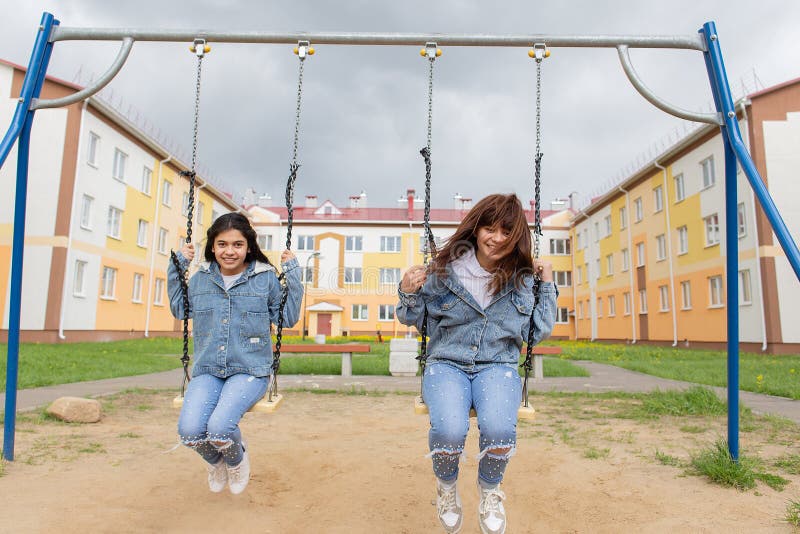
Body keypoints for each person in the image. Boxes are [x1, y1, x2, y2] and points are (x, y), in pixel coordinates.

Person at [397, 194, 557, 534]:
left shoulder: (523, 277)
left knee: (499, 430)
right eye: (490, 228)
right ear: (476, 228)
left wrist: (547, 285)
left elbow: (538, 331)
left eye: (506, 231)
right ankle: (447, 487)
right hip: (447, 362)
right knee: (449, 431)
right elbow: (415, 319)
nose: (497, 238)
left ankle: (490, 490)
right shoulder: (443, 271)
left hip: (497, 365)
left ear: (517, 236)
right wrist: (408, 291)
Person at [168, 212, 302, 495]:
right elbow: (180, 309)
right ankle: (217, 462)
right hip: (208, 369)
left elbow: (287, 318)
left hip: (250, 369)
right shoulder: (201, 279)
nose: (229, 251)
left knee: (219, 429)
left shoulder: (265, 279)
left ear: (249, 247)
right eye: (222, 244)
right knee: (190, 432)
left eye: (237, 244)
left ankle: (236, 460)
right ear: (212, 246)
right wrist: (177, 266)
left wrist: (292, 273)